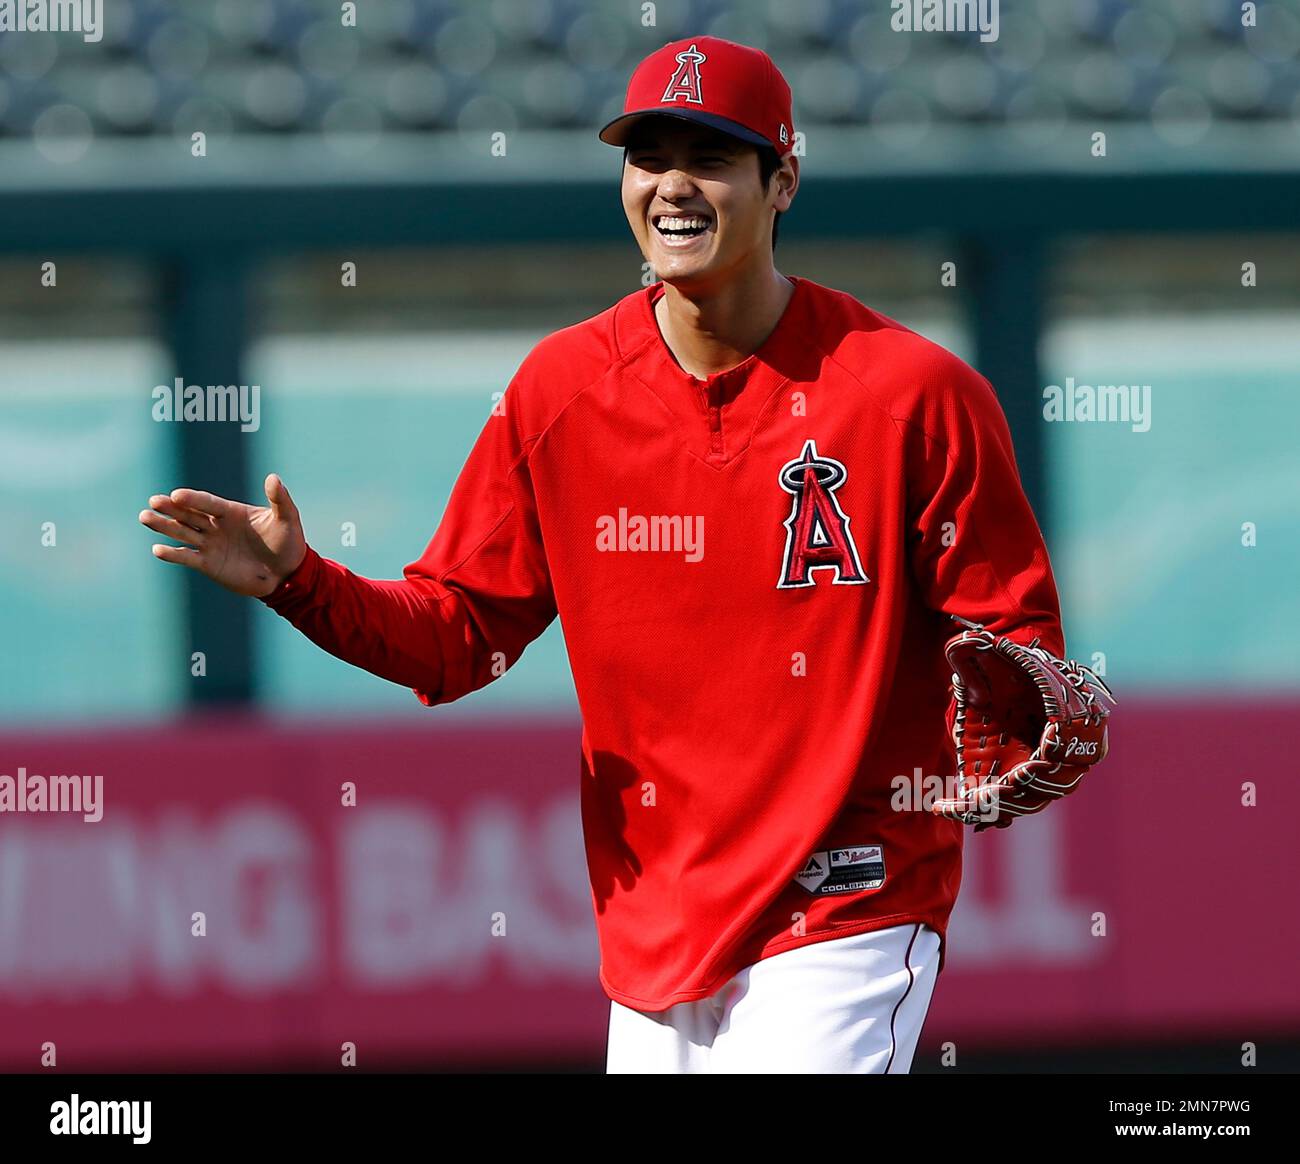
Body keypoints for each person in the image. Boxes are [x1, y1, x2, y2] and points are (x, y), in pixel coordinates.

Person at [139, 36, 1065, 1073]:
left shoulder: (912, 396)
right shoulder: (561, 390)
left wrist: (1007, 722)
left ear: (782, 181)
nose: (672, 183)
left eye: (711, 155)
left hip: (848, 901)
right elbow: (454, 640)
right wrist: (296, 585)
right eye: (646, 154)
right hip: (656, 926)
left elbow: (1014, 644)